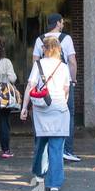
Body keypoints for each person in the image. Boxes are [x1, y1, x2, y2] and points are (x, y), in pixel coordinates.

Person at [20, 34, 71, 191]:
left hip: (41, 109)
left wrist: (24, 107)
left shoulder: (38, 64)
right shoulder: (63, 67)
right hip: (58, 107)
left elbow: (30, 86)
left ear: (45, 49)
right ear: (58, 49)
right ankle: (54, 182)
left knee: (41, 142)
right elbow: (66, 90)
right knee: (56, 146)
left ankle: (39, 174)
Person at [32, 13, 79, 162]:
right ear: (58, 23)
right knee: (68, 114)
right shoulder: (66, 38)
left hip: (43, 85)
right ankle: (67, 150)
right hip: (62, 83)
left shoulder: (39, 39)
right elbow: (72, 61)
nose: (63, 24)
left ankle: (42, 150)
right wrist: (72, 80)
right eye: (62, 22)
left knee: (42, 114)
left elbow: (35, 61)